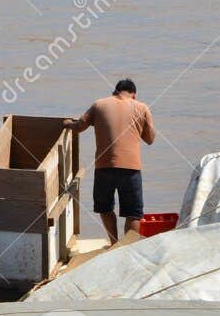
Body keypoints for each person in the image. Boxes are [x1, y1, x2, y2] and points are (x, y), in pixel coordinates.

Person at [65, 78, 156, 244]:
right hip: (131, 168)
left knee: (105, 207)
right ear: (133, 95)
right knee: (133, 213)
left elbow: (79, 127)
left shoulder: (99, 104)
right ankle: (128, 247)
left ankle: (114, 243)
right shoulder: (141, 107)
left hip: (104, 167)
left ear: (115, 91)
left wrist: (68, 124)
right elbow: (150, 139)